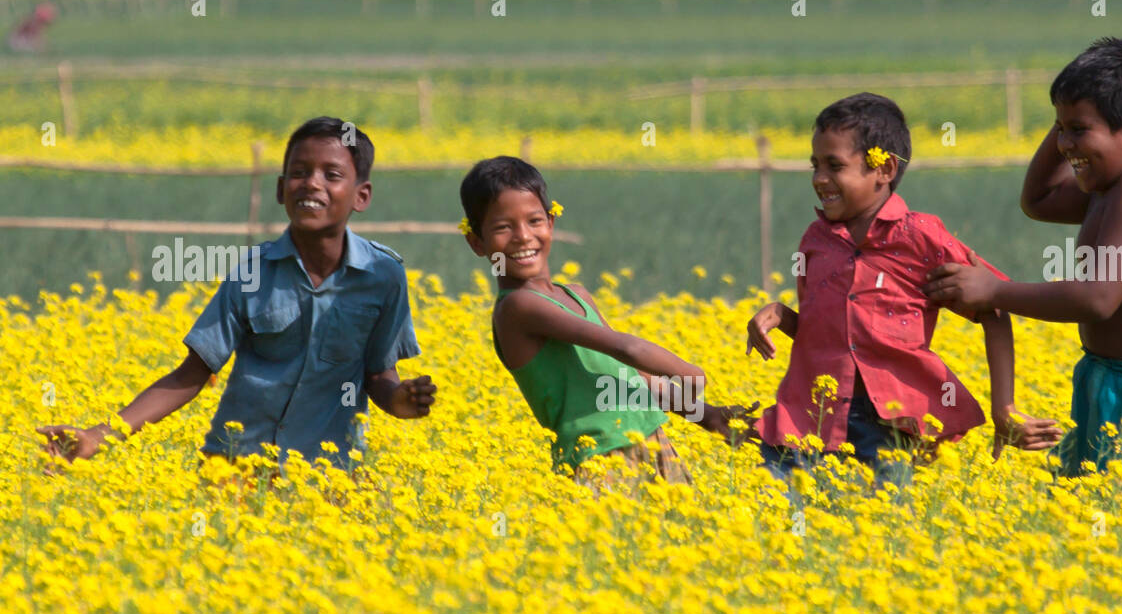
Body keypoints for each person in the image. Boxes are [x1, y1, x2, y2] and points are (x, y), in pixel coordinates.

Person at [39, 117, 434, 470]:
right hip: (235, 469)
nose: (312, 182)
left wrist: (399, 400)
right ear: (281, 190)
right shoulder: (252, 272)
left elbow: (378, 375)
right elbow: (193, 373)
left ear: (361, 196)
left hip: (331, 475)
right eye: (299, 172)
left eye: (332, 174)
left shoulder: (383, 275)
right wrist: (100, 434)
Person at [923, 38, 1122, 475]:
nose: (1064, 143)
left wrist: (994, 291)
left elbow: (1095, 299)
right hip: (1110, 379)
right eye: (1059, 127)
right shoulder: (1108, 190)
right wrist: (1070, 121)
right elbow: (1038, 199)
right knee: (1092, 509)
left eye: (1078, 129)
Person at [746, 92, 1059, 487]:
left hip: (886, 428)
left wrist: (1005, 410)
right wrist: (781, 315)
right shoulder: (815, 240)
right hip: (808, 416)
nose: (819, 178)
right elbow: (826, 334)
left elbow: (993, 309)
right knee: (782, 525)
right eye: (815, 165)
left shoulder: (921, 238)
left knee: (878, 537)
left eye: (834, 166)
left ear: (885, 169)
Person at [460, 156, 752, 485]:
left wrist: (706, 414)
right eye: (503, 227)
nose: (522, 236)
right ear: (477, 242)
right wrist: (690, 373)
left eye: (534, 221)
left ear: (552, 222)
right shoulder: (518, 308)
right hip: (599, 462)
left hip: (653, 442)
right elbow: (627, 349)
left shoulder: (578, 296)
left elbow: (633, 378)